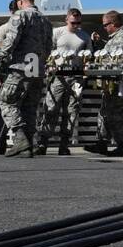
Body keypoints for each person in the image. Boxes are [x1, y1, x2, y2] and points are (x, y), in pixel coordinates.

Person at [0, 0, 52, 157]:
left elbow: (11, 40)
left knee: (7, 100)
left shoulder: (20, 15)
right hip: (37, 68)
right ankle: (28, 145)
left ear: (20, 1)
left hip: (21, 66)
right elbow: (48, 48)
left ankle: (20, 139)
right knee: (29, 107)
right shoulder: (46, 21)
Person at [37, 8, 90, 156]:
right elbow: (47, 51)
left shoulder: (84, 36)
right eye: (73, 22)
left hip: (76, 76)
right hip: (58, 77)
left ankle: (64, 145)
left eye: (79, 22)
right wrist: (48, 66)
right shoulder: (57, 33)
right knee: (51, 108)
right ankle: (43, 142)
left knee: (71, 111)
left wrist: (84, 78)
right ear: (67, 19)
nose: (76, 25)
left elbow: (88, 58)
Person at [91, 10, 123, 157]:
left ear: (114, 23)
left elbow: (116, 55)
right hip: (112, 82)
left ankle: (122, 146)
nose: (104, 28)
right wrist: (101, 43)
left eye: (105, 25)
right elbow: (112, 50)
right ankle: (102, 143)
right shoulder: (115, 38)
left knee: (117, 114)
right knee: (105, 112)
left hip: (120, 83)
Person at [0, 0, 19, 155]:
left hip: (19, 73)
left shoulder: (25, 28)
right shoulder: (4, 29)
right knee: (3, 109)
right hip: (4, 73)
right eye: (15, 11)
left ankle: (18, 143)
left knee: (20, 109)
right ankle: (0, 143)